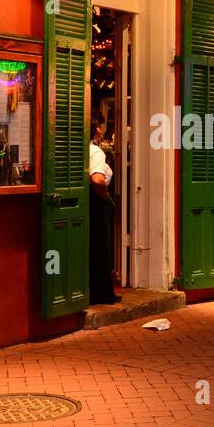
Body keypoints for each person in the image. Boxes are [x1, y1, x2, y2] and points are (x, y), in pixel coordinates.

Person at [88, 117, 120, 304]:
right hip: (97, 203)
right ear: (98, 130)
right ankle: (103, 293)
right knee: (102, 248)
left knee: (92, 247)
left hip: (87, 203)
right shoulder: (96, 152)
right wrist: (105, 196)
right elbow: (97, 179)